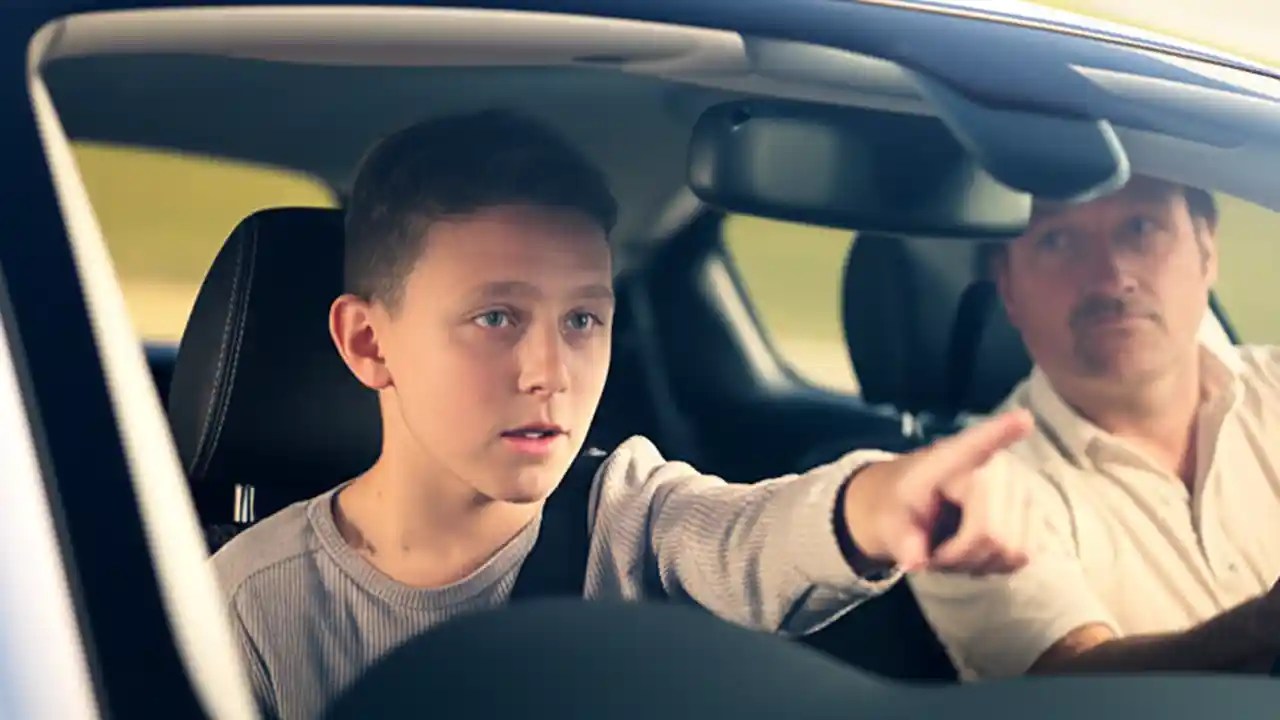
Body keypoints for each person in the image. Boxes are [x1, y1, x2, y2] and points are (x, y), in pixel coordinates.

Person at [212, 109, 1036, 719]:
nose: (549, 374)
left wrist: (881, 503)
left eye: (582, 319)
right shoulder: (251, 600)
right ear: (369, 343)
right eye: (495, 317)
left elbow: (755, 537)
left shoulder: (632, 520)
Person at [908, 175, 1280, 680]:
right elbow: (1074, 686)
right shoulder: (976, 494)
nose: (1110, 278)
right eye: (1058, 240)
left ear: (1206, 251)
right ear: (1008, 286)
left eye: (1141, 228)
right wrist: (1263, 627)